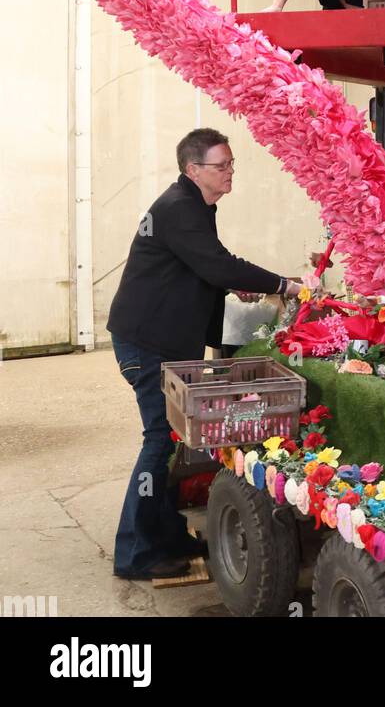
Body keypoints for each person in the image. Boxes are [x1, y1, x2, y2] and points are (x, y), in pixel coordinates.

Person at [106, 128, 302, 581]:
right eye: (222, 165)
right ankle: (134, 553)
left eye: (232, 164)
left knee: (175, 442)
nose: (231, 172)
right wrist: (284, 286)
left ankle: (166, 536)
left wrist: (242, 281)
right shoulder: (178, 208)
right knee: (159, 441)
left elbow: (208, 262)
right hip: (147, 344)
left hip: (167, 343)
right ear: (193, 170)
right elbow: (216, 265)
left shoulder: (194, 206)